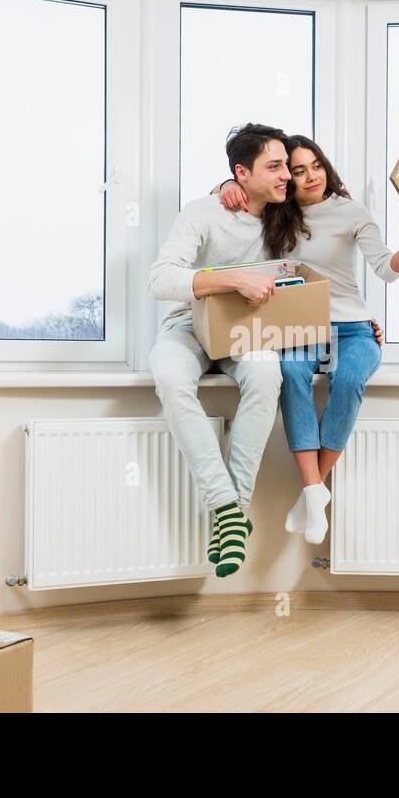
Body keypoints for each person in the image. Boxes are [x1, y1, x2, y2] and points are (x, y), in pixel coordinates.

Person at [217, 135, 399, 543]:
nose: (310, 176)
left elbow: (388, 269)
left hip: (354, 328)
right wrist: (224, 186)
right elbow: (240, 190)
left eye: (316, 165)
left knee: (351, 378)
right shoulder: (275, 214)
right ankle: (313, 491)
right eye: (298, 170)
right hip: (300, 327)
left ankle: (310, 494)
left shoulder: (351, 212)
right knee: (289, 371)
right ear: (288, 176)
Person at [148, 123, 293, 578]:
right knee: (171, 378)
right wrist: (231, 278)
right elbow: (160, 280)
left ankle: (234, 510)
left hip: (246, 333)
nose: (286, 174)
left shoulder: (284, 217)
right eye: (274, 166)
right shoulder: (202, 212)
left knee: (268, 374)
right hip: (188, 326)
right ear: (240, 173)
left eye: (286, 164)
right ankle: (225, 506)